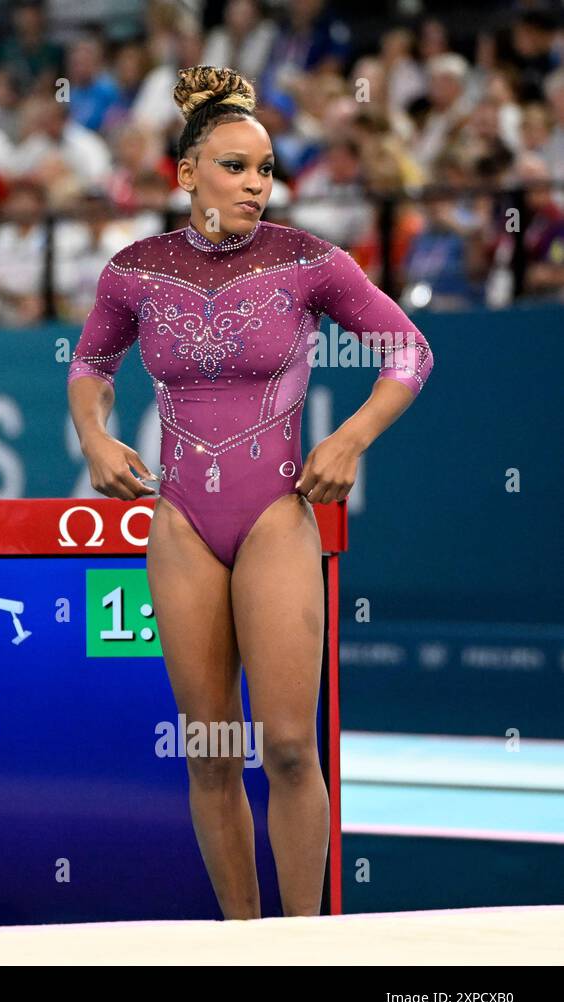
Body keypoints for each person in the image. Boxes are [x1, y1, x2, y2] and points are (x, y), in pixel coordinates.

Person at [67, 66, 434, 919]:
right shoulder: (134, 270)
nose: (257, 185)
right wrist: (94, 436)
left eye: (266, 169)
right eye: (235, 167)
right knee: (208, 749)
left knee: (293, 749)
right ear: (186, 174)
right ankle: (243, 942)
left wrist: (349, 438)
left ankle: (304, 945)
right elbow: (90, 364)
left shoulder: (310, 262)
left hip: (275, 515)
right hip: (182, 522)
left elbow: (410, 351)